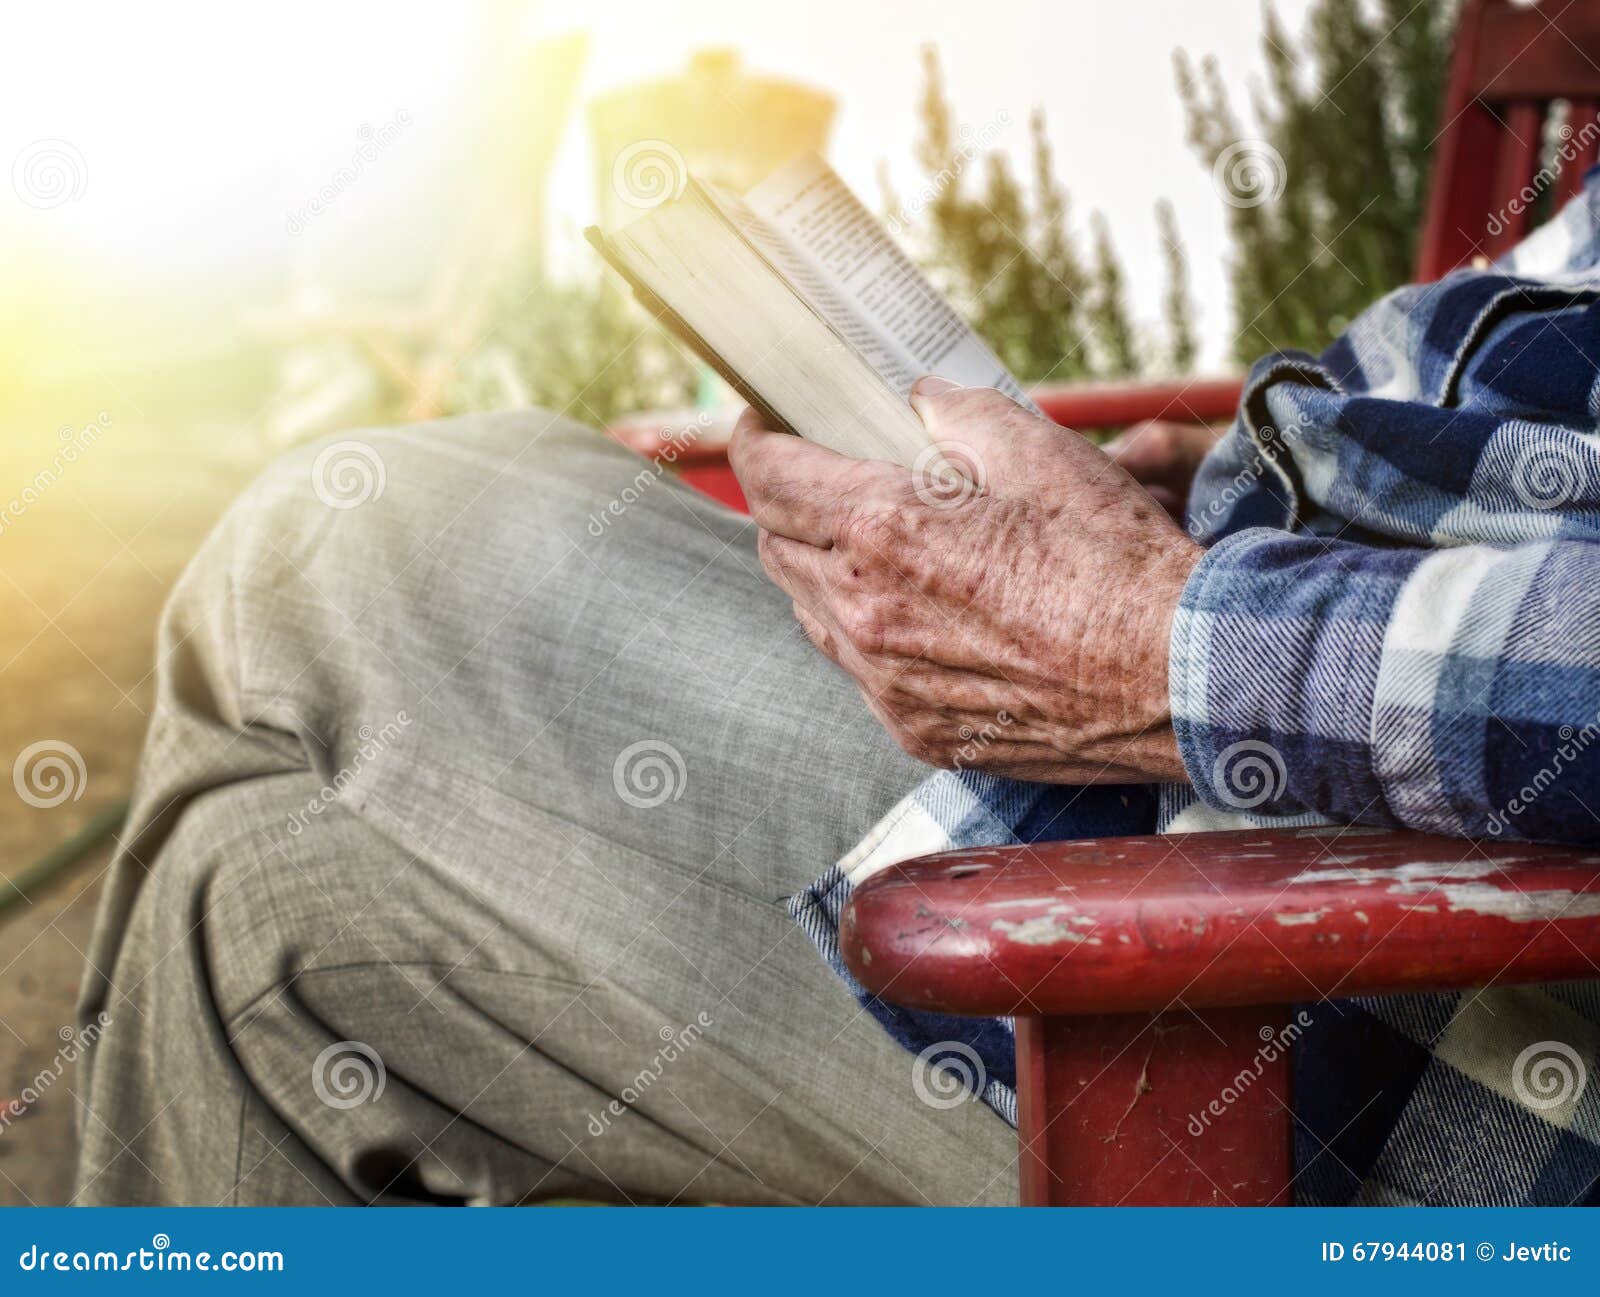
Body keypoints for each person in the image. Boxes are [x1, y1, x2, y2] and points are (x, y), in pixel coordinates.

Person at [75, 191, 1600, 1208]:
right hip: (1301, 777)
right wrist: (1211, 512)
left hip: (1379, 1020)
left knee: (345, 546)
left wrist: (1149, 633)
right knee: (252, 896)